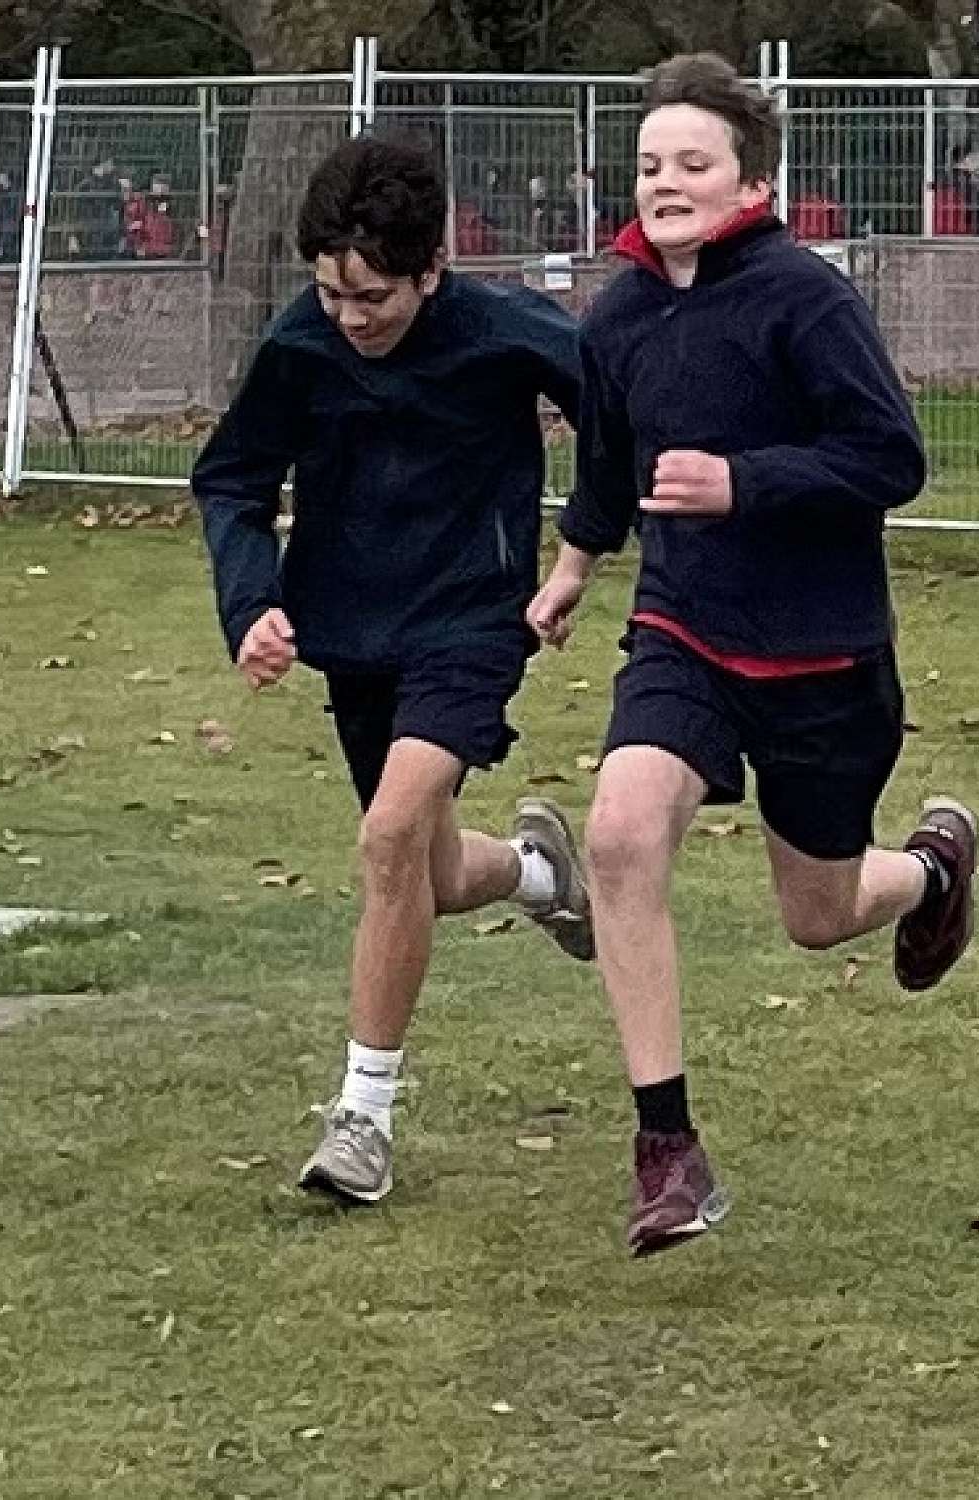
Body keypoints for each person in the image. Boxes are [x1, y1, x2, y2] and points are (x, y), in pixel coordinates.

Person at [526, 52, 979, 1259]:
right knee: (620, 834)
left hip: (824, 655)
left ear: (751, 179)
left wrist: (746, 482)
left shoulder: (803, 300)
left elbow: (891, 461)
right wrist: (573, 567)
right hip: (682, 631)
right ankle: (665, 1148)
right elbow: (610, 468)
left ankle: (930, 874)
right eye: (647, 165)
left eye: (692, 163)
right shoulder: (617, 312)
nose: (665, 183)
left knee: (818, 914)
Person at [191, 133, 594, 1206]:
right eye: (329, 294)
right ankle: (542, 874)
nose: (349, 317)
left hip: (472, 620)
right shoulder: (300, 345)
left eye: (371, 296)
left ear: (429, 272)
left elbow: (624, 412)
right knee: (425, 869)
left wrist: (578, 551)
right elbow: (230, 481)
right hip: (353, 634)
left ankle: (361, 1120)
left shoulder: (507, 331)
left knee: (384, 836)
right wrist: (253, 602)